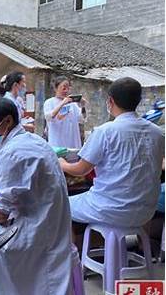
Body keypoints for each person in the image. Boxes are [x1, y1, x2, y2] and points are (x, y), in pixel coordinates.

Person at [0, 97, 72, 295]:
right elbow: (20, 186)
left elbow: (0, 212)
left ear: (7, 121)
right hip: (53, 226)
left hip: (35, 232)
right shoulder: (33, 141)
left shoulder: (13, 152)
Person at [59, 77, 164, 229]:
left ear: (110, 101)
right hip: (145, 211)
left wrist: (63, 164)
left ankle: (71, 252)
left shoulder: (106, 131)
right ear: (138, 101)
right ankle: (138, 246)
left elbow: (81, 169)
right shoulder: (158, 133)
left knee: (60, 204)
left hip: (109, 208)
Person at [44, 76, 86, 148]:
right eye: (64, 88)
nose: (66, 91)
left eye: (68, 88)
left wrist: (83, 106)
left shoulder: (73, 104)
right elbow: (49, 117)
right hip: (57, 145)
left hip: (73, 145)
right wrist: (63, 103)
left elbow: (82, 119)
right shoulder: (49, 102)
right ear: (56, 88)